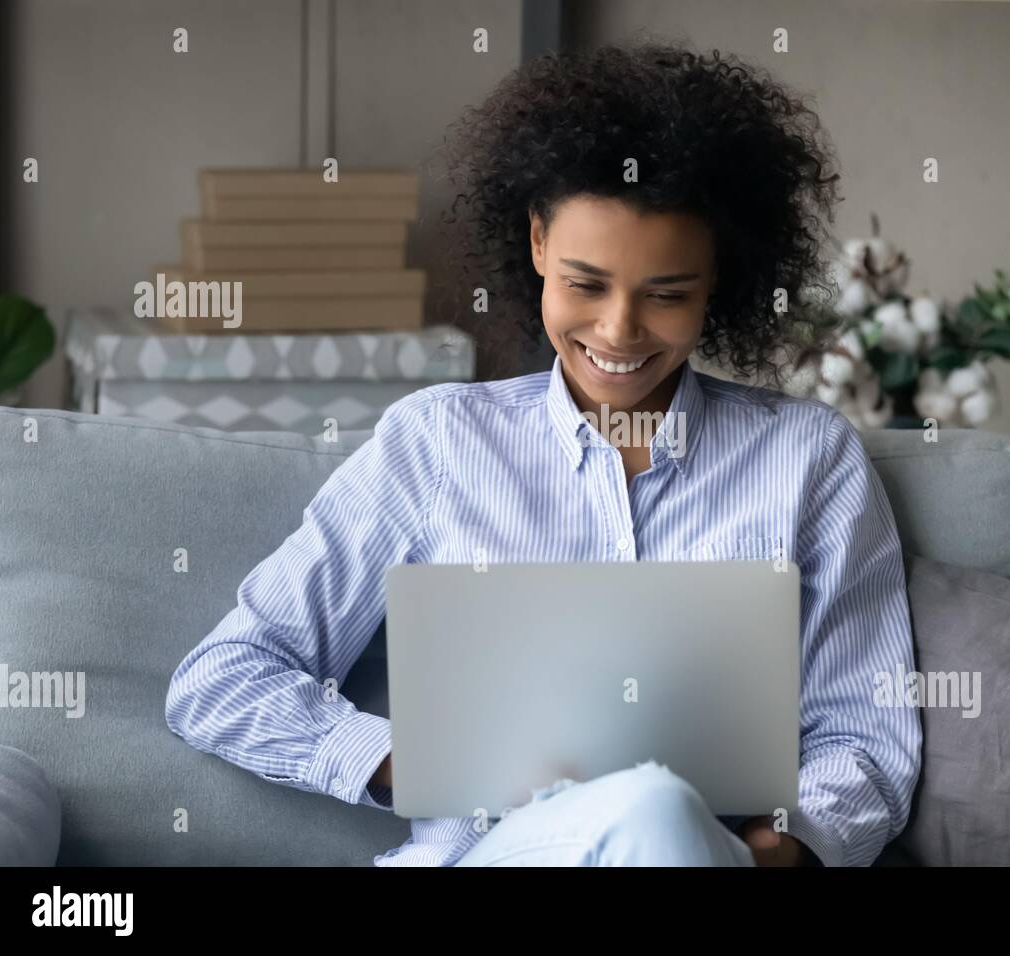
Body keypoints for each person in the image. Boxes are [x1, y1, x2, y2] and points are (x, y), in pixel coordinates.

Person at [165, 41, 921, 867]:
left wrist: (778, 850)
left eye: (667, 294)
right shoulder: (437, 443)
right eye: (586, 284)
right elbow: (223, 677)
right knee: (653, 805)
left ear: (718, 282)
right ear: (534, 246)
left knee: (662, 816)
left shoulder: (809, 461)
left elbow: (866, 733)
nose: (619, 332)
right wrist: (409, 759)